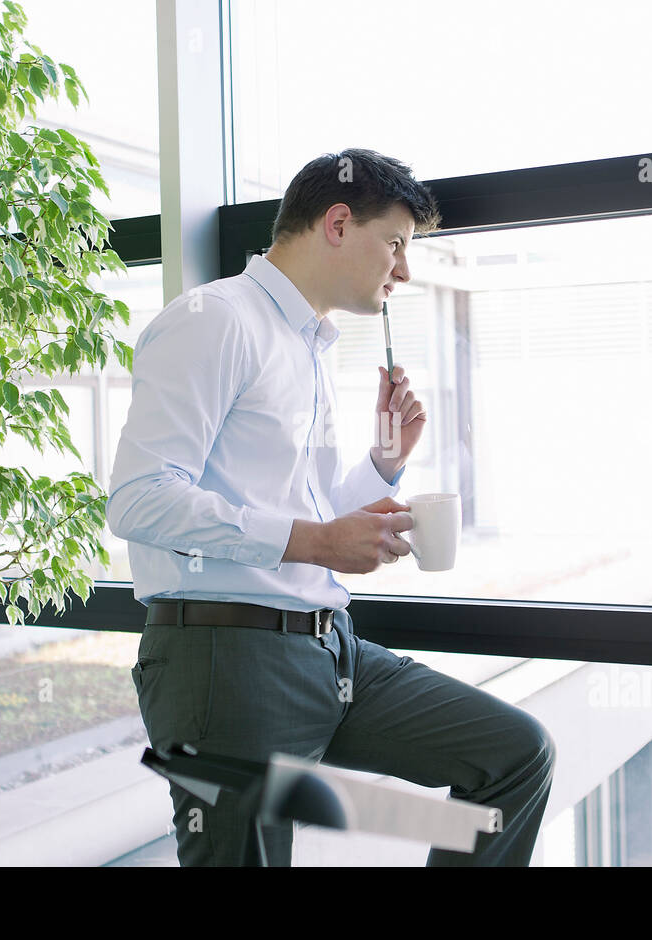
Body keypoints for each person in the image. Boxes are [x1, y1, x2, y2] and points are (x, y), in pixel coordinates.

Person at [107, 148, 556, 866]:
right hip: (226, 663)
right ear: (339, 223)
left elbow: (293, 506)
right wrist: (317, 543)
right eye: (397, 244)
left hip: (327, 648)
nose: (404, 270)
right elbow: (139, 499)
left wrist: (384, 462)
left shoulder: (307, 344)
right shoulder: (215, 321)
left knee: (512, 755)